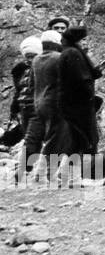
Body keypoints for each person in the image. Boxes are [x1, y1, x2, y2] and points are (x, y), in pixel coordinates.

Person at [48, 26, 102, 182]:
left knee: (76, 140)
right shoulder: (72, 53)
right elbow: (80, 78)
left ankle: (63, 174)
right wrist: (89, 93)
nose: (86, 42)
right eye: (83, 39)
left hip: (72, 103)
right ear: (77, 40)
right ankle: (84, 177)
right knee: (85, 139)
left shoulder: (69, 52)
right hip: (78, 104)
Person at [24, 30, 63, 178]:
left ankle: (33, 169)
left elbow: (31, 84)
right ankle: (46, 171)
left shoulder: (36, 60)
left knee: (46, 135)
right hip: (54, 104)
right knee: (55, 136)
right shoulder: (59, 58)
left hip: (38, 103)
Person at [3, 36, 42, 149]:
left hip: (38, 107)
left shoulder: (43, 67)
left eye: (33, 56)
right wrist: (14, 110)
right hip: (24, 107)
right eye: (28, 57)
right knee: (29, 137)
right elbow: (18, 91)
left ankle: (28, 164)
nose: (30, 59)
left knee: (32, 139)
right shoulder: (19, 69)